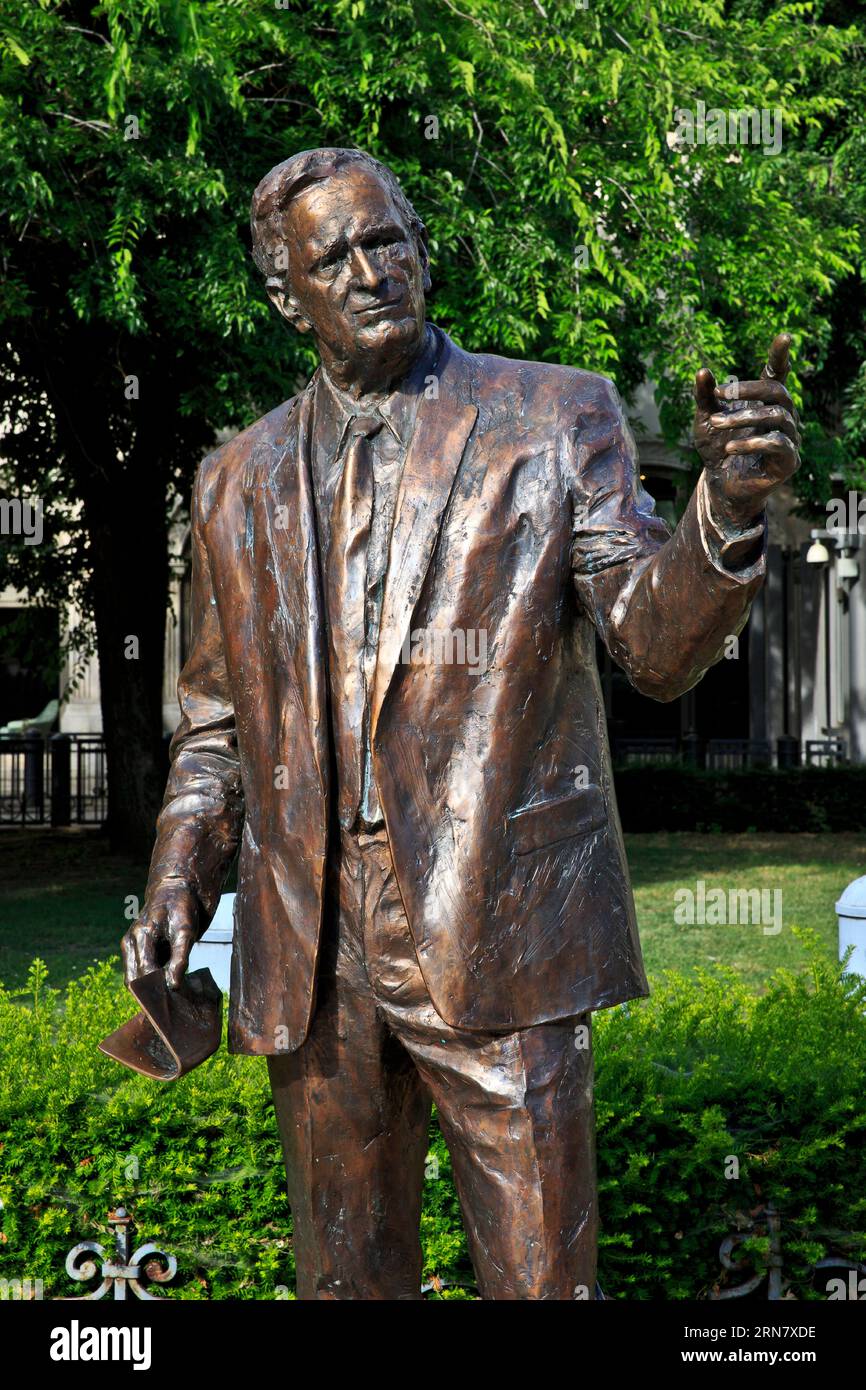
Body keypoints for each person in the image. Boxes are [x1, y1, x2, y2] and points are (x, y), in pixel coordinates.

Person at [122, 147, 800, 1300]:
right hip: (315, 952)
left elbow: (649, 644)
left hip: (500, 923)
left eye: (386, 240)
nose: (369, 271)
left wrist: (724, 514)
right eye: (333, 257)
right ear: (287, 295)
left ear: (421, 251)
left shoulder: (552, 416)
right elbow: (215, 727)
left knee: (541, 1282)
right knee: (346, 1283)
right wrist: (178, 879)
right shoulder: (234, 479)